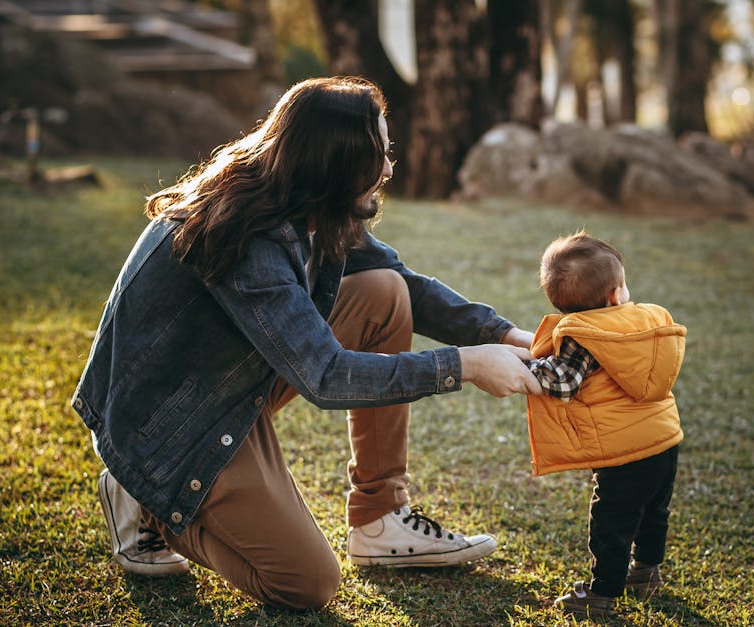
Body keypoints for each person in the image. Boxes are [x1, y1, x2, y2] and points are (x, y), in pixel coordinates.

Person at [70, 76, 541, 609]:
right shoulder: (248, 235)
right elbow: (326, 375)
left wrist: (507, 335)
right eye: (377, 155)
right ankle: (148, 500)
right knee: (306, 583)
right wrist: (466, 365)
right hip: (172, 424)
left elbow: (402, 282)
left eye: (388, 151)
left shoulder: (306, 195)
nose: (388, 168)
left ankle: (380, 519)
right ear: (334, 160)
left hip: (228, 381)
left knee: (384, 293)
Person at [524, 231, 687, 616]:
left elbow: (563, 383)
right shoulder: (646, 321)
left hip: (624, 455)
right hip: (665, 439)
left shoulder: (584, 337)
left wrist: (531, 366)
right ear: (616, 295)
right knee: (653, 512)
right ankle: (647, 570)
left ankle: (601, 594)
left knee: (611, 523)